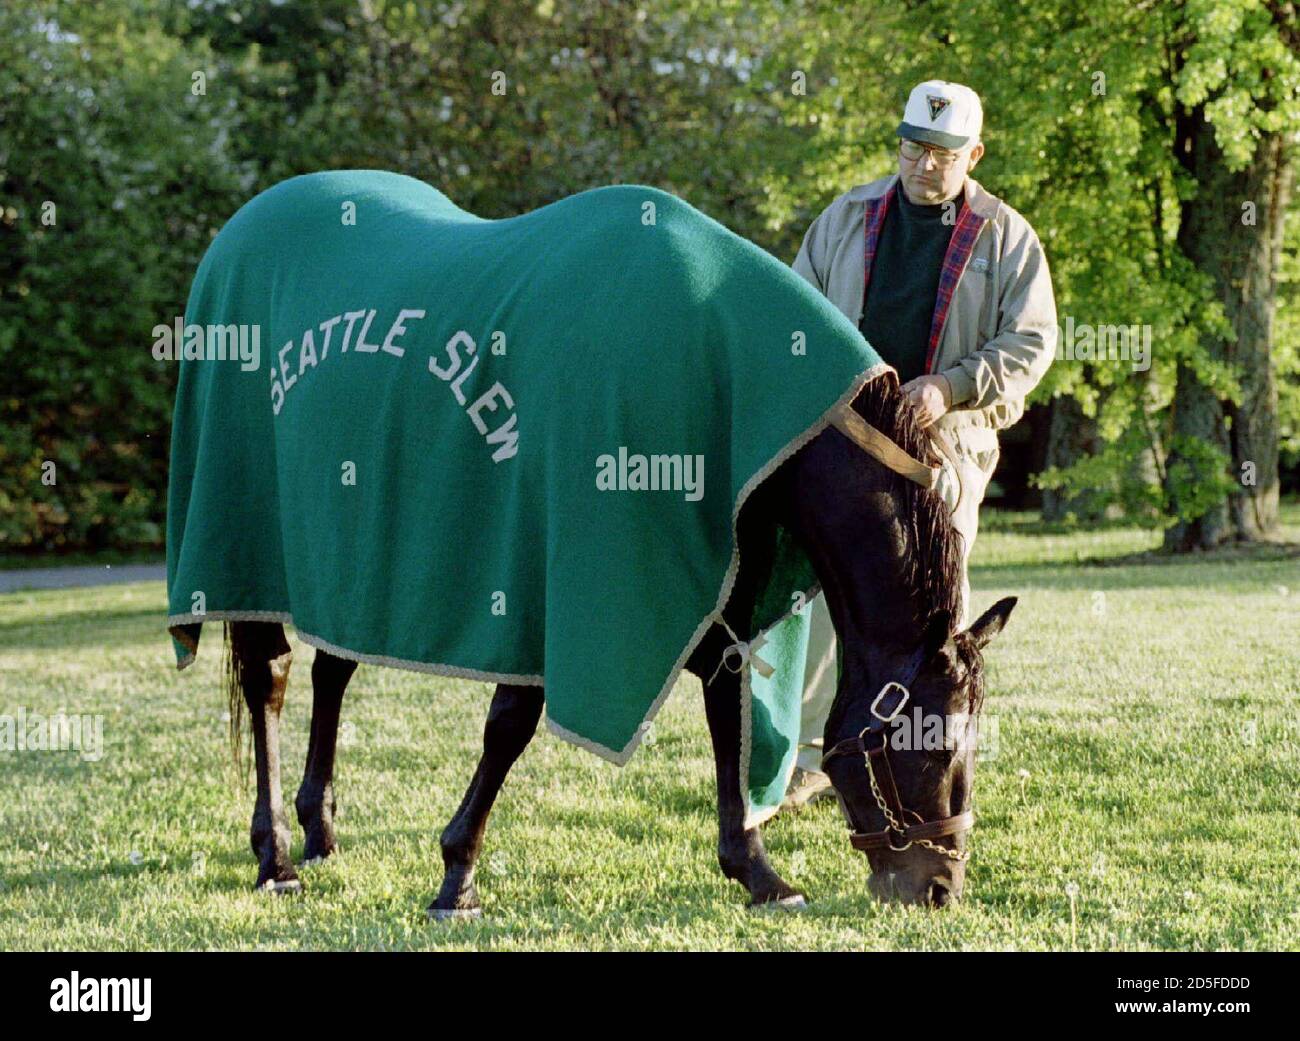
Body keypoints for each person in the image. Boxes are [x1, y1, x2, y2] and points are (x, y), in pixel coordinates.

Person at [782, 79, 1057, 809]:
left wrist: (951, 385)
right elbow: (793, 315)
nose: (924, 164)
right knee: (821, 598)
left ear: (974, 154)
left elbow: (1032, 342)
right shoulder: (846, 218)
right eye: (913, 146)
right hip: (847, 444)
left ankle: (922, 754)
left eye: (941, 153)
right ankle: (813, 760)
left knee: (930, 615)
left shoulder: (1006, 235)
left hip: (947, 452)